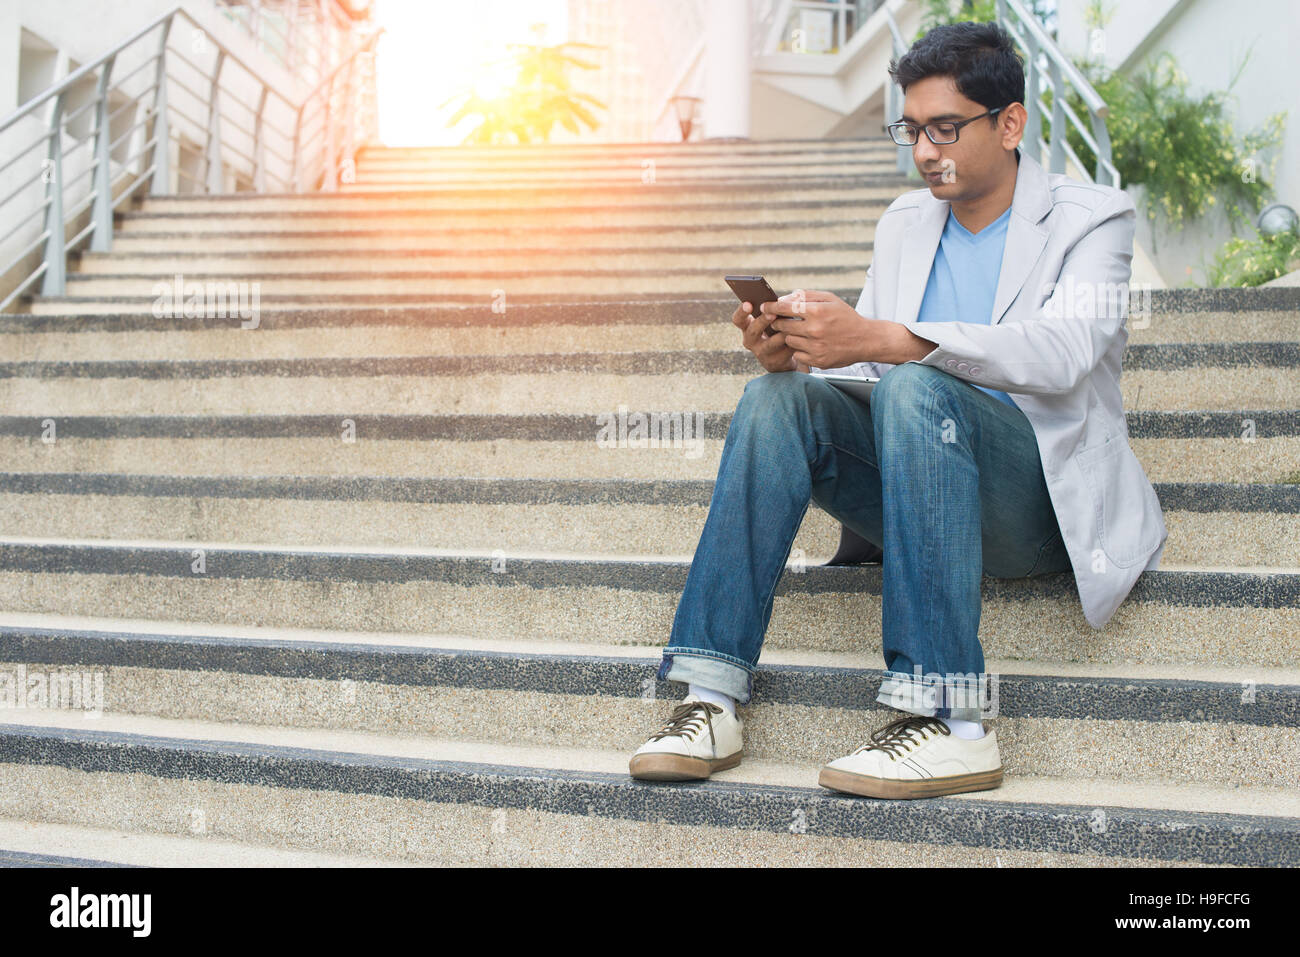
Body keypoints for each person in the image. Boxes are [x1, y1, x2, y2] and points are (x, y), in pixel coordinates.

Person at [628, 20, 1167, 799]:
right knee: (775, 401)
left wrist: (886, 338)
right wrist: (805, 351)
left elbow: (1063, 352)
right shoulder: (905, 221)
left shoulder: (1094, 218)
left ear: (1009, 123)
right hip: (922, 480)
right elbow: (879, 369)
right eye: (911, 129)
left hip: (1034, 498)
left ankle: (952, 720)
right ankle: (710, 697)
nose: (923, 151)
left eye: (945, 128)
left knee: (918, 384)